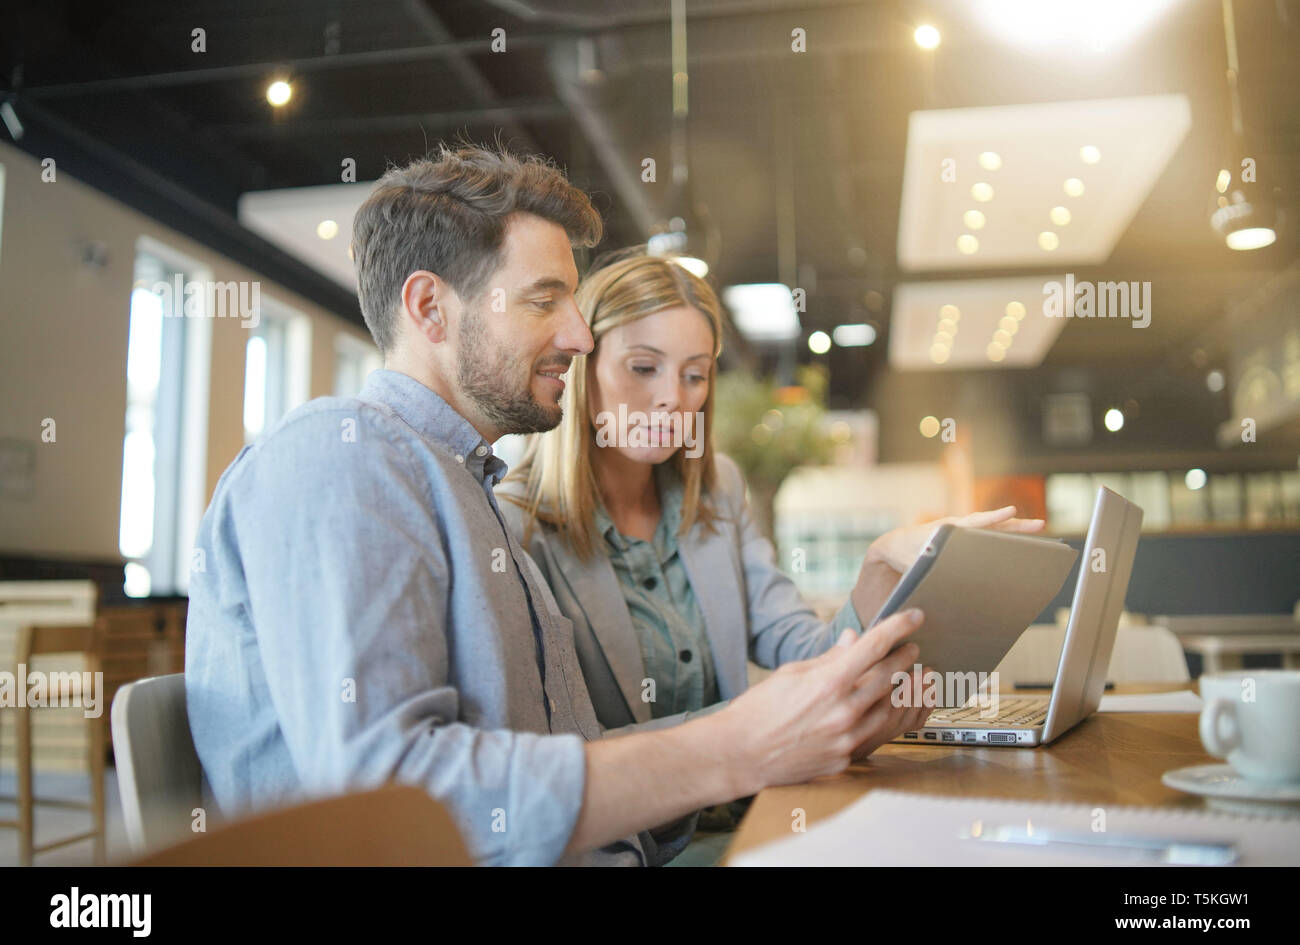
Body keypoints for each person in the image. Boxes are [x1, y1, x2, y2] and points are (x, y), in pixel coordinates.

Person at [184, 145, 934, 867]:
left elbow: (572, 761)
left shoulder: (466, 489)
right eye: (546, 299)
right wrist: (735, 746)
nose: (579, 335)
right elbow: (386, 801)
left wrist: (805, 721)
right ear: (430, 307)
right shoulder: (342, 453)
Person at [495, 253, 1043, 860]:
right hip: (639, 849)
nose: (671, 400)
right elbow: (561, 756)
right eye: (643, 368)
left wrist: (880, 565)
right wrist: (758, 727)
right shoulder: (513, 524)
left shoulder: (718, 490)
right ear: (582, 366)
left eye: (694, 375)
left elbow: (801, 647)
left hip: (759, 815)